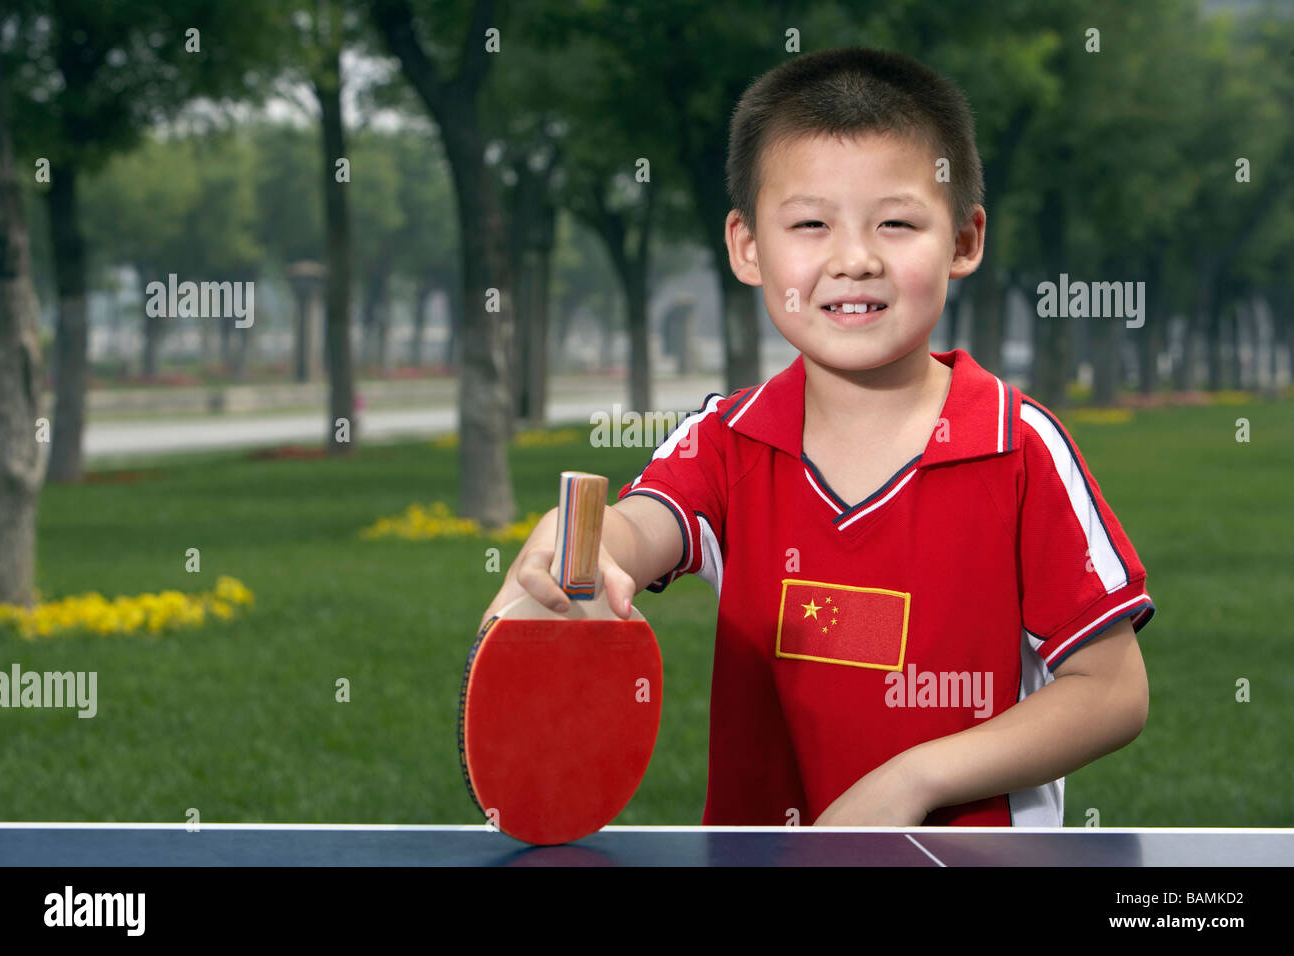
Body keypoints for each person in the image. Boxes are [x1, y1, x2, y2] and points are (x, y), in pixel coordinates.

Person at [480, 47, 1155, 827]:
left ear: (965, 241)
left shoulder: (1020, 448)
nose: (854, 259)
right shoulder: (726, 442)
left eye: (896, 223)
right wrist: (580, 542)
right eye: (810, 223)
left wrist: (914, 780)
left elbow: (1112, 691)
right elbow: (639, 529)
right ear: (748, 248)